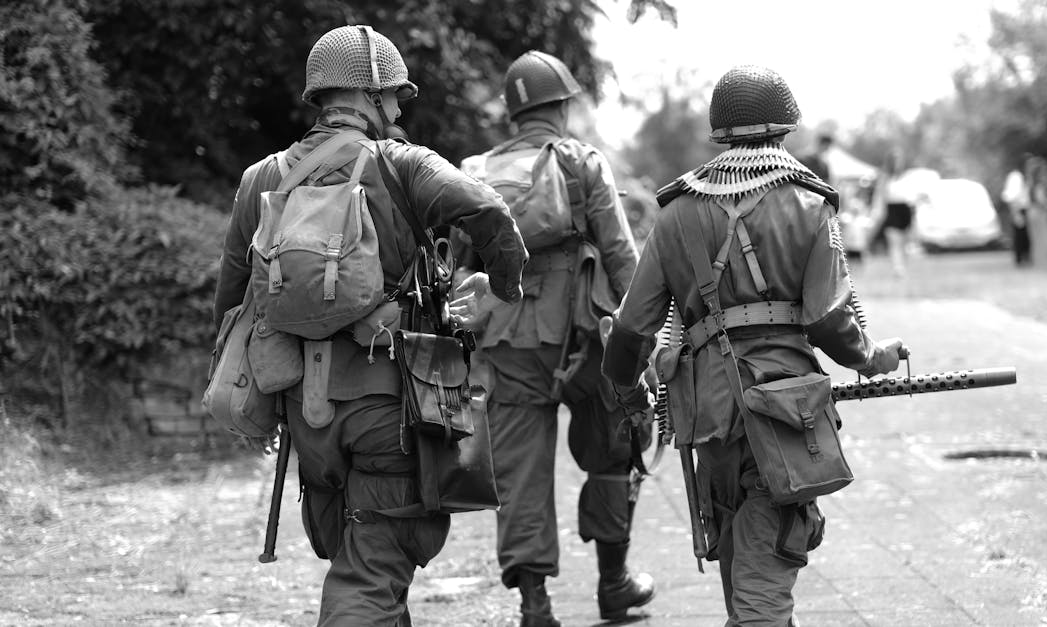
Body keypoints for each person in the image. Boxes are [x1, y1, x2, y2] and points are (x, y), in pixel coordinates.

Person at [211, 25, 527, 626]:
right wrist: (506, 289)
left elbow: (232, 305)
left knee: (365, 563)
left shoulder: (261, 179)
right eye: (396, 99)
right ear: (375, 96)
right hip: (391, 407)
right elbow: (489, 211)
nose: (398, 111)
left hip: (306, 414)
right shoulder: (403, 163)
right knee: (370, 571)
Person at [600, 65, 906, 626]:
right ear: (785, 127)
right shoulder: (810, 205)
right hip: (787, 414)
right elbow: (830, 321)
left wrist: (625, 395)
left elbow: (628, 331)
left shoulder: (674, 214)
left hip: (708, 415)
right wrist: (873, 358)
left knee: (742, 559)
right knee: (765, 576)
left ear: (719, 133)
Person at [452, 50, 654, 626]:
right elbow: (620, 254)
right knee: (615, 451)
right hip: (585, 336)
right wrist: (645, 342)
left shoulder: (475, 171)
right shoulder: (581, 162)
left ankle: (535, 606)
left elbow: (458, 264)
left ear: (512, 114)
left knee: (518, 470)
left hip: (506, 337)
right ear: (562, 106)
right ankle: (614, 584)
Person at [873, 148, 913, 277]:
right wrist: (878, 212)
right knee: (894, 241)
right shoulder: (885, 177)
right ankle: (898, 269)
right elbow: (880, 196)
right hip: (891, 209)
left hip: (904, 209)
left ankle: (903, 267)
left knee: (904, 242)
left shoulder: (907, 176)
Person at [1002, 157, 1032, 266]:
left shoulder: (1025, 177)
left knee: (1025, 237)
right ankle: (1020, 260)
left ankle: (1026, 258)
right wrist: (1016, 213)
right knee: (1019, 237)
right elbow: (1011, 197)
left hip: (1025, 209)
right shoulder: (1015, 177)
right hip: (1018, 209)